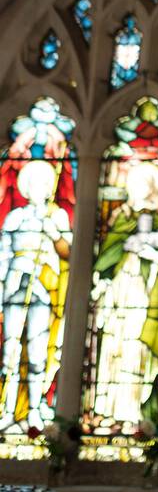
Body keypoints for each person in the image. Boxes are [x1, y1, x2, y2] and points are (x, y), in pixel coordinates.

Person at [89, 160, 158, 432]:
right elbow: (106, 258)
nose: (139, 189)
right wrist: (126, 248)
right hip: (119, 294)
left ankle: (132, 411)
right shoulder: (121, 218)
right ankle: (107, 410)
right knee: (112, 350)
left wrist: (153, 253)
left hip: (146, 295)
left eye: (144, 184)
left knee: (136, 351)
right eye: (135, 184)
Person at [0, 159, 71, 431]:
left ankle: (33, 410)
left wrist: (53, 234)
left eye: (45, 183)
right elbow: (4, 255)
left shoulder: (57, 217)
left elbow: (69, 254)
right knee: (11, 349)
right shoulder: (15, 217)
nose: (39, 188)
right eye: (34, 183)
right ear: (26, 187)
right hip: (15, 285)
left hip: (45, 286)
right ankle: (7, 409)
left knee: (39, 350)